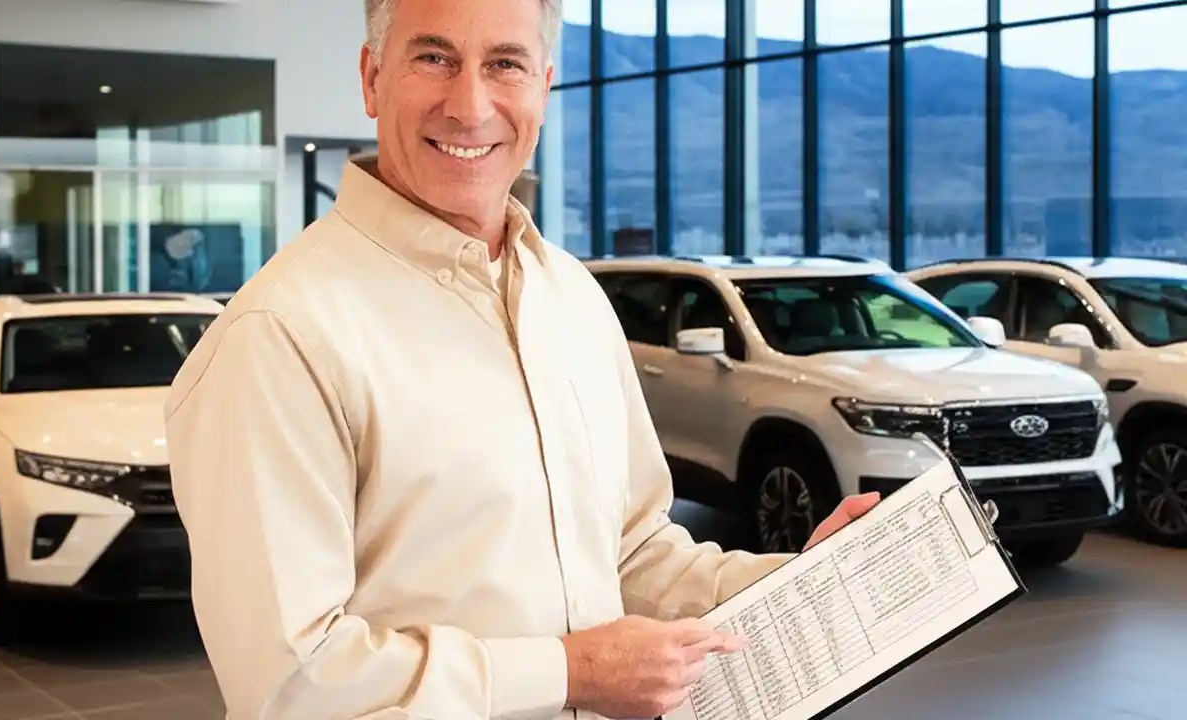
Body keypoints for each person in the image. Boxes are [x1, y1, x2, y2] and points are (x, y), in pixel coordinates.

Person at [163, 0, 881, 717]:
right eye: (434, 58)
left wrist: (798, 581)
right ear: (372, 77)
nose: (470, 106)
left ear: (542, 86)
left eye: (504, 65)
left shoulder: (570, 295)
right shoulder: (280, 333)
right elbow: (289, 681)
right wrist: (568, 673)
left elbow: (629, 554)